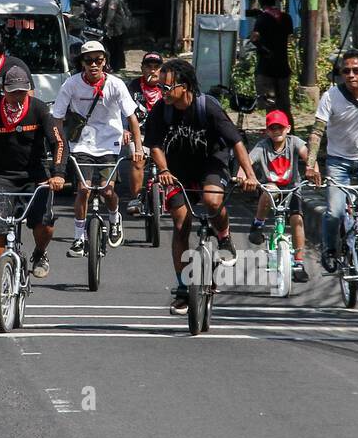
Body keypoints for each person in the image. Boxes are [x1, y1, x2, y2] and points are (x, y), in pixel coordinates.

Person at [145, 58, 258, 314]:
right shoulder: (162, 110)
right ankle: (184, 288)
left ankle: (224, 236)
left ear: (184, 86)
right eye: (160, 87)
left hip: (211, 165)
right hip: (178, 171)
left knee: (212, 201)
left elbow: (236, 142)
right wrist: (163, 170)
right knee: (180, 224)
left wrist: (249, 175)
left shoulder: (208, 108)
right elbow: (155, 145)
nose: (162, 92)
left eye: (166, 87)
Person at [0, 64, 66, 301]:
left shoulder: (40, 110)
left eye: (22, 91)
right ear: (3, 90)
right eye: (13, 91)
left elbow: (58, 142)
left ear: (29, 90)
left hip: (36, 178)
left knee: (44, 225)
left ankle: (40, 253)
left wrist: (58, 173)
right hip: (2, 178)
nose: (18, 96)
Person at [52, 39, 142, 252]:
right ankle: (79, 236)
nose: (94, 65)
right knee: (83, 189)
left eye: (98, 60)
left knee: (107, 190)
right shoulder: (71, 84)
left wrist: (137, 148)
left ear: (104, 62)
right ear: (82, 62)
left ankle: (114, 217)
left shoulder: (115, 84)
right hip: (81, 143)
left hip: (109, 143)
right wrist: (58, 141)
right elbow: (57, 117)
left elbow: (131, 117)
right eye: (89, 60)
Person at [305, 49, 358, 264]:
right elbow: (317, 131)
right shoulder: (331, 96)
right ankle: (329, 249)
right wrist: (310, 164)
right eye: (346, 71)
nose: (351, 75)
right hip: (337, 161)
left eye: (356, 70)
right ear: (341, 73)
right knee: (334, 212)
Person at [245, 110, 311, 283]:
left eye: (280, 127)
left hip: (292, 188)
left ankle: (298, 263)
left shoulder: (295, 142)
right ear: (267, 131)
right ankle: (258, 224)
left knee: (297, 220)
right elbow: (247, 162)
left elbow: (308, 157)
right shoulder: (262, 146)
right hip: (271, 187)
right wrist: (242, 177)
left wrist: (313, 170)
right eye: (272, 128)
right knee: (269, 190)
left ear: (287, 128)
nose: (276, 131)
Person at [249, 0, 294, 127]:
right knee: (285, 106)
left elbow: (254, 39)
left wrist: (264, 50)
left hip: (266, 69)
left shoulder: (261, 19)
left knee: (270, 106)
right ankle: (290, 134)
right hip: (283, 67)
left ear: (261, 1)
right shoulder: (287, 18)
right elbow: (289, 40)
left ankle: (274, 137)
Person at [125, 52, 164, 213]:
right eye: (149, 67)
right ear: (142, 68)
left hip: (164, 134)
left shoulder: (167, 86)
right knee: (138, 160)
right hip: (138, 134)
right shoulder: (132, 87)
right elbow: (122, 110)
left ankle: (173, 194)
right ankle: (136, 199)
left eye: (157, 68)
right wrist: (124, 129)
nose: (153, 71)